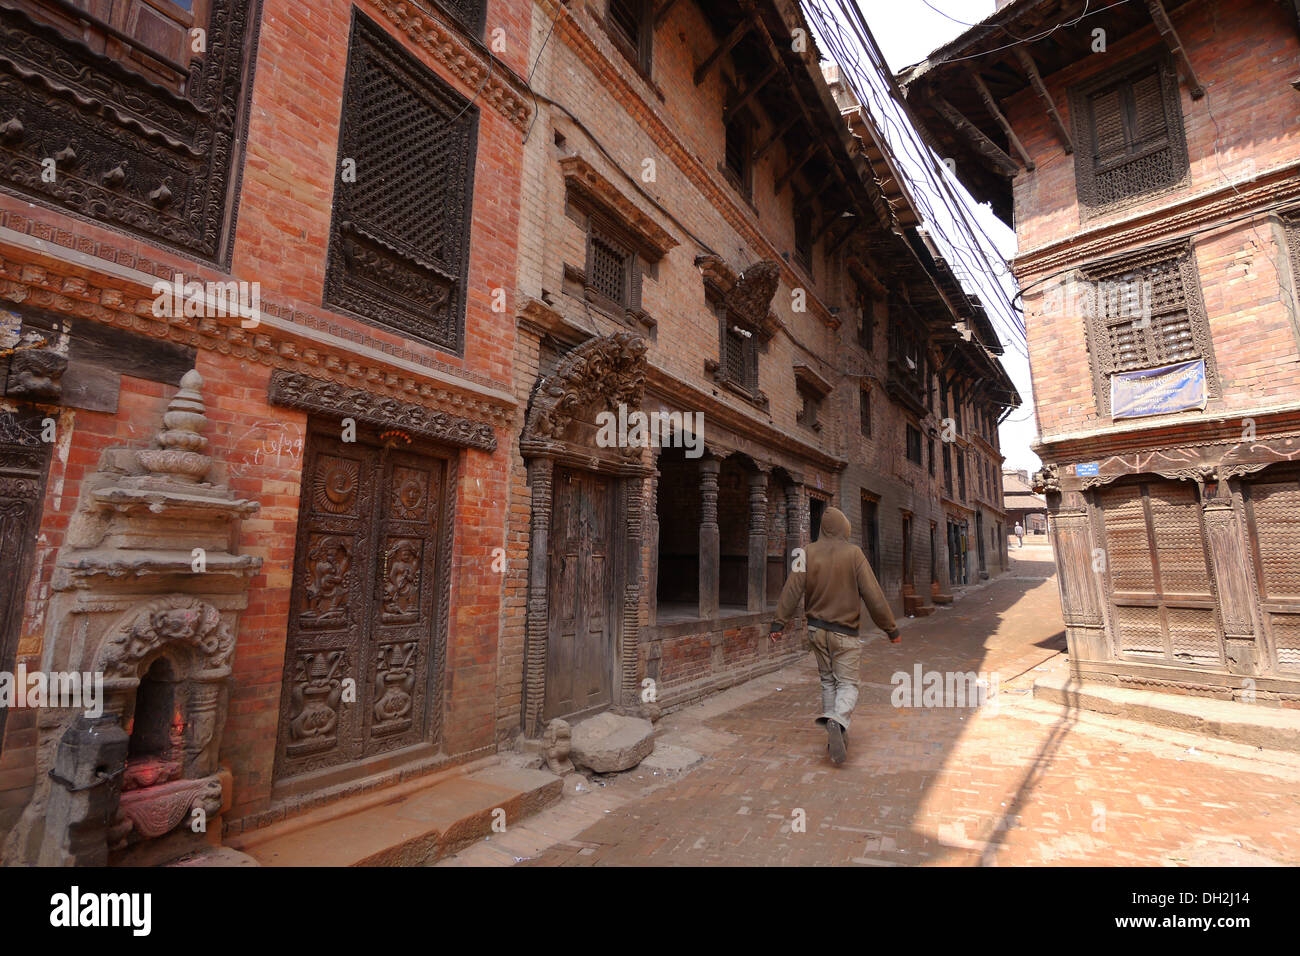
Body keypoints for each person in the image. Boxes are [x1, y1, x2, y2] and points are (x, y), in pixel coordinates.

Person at [769, 507, 899, 765]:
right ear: (844, 527)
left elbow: (791, 589)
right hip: (845, 634)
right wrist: (890, 628)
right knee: (848, 684)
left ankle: (834, 730)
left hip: (816, 631)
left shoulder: (806, 553)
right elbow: (873, 595)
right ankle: (838, 721)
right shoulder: (854, 554)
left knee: (828, 682)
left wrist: (778, 624)